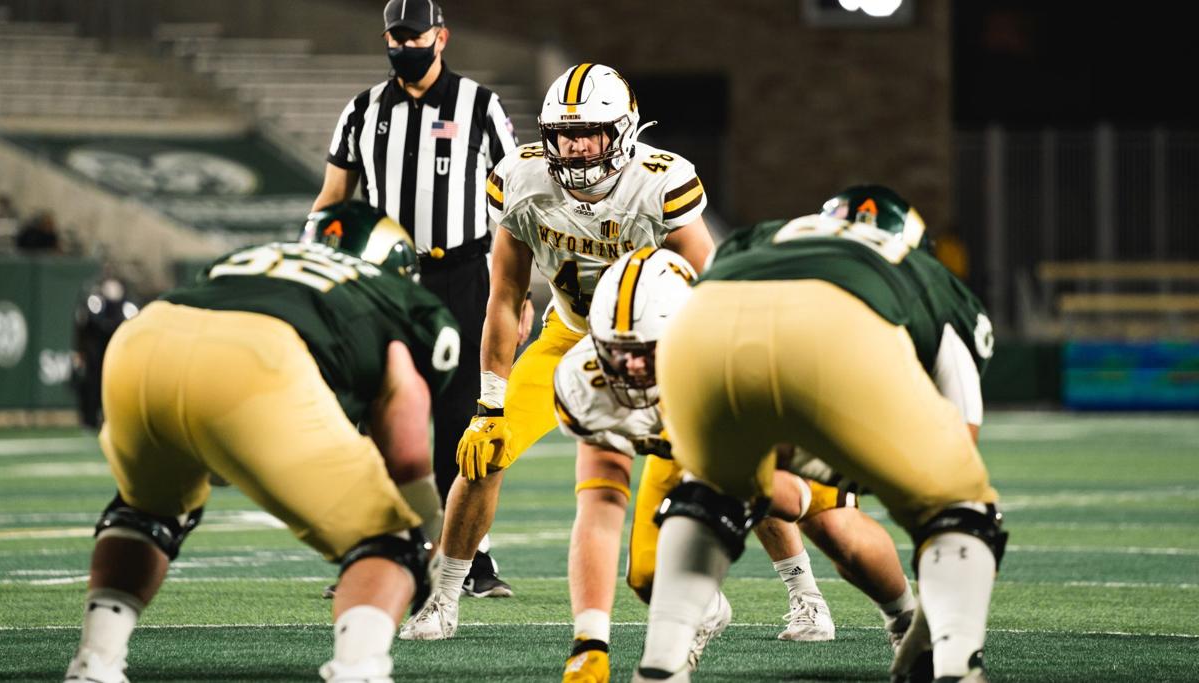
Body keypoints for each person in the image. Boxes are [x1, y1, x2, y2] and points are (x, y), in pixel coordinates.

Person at [62, 202, 458, 683]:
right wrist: (428, 526)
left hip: (142, 343)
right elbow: (405, 443)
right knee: (394, 540)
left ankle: (95, 663)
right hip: (256, 360)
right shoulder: (394, 295)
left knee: (147, 513)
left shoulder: (255, 257)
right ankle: (359, 671)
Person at [635, 185, 1006, 683]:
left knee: (713, 490)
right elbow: (960, 440)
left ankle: (662, 663)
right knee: (959, 506)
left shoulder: (761, 237)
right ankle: (954, 662)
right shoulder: (922, 271)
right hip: (834, 336)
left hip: (700, 332)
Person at [399, 63, 716, 641]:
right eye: (564, 133)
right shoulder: (522, 179)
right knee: (484, 450)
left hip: (655, 353)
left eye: (589, 132)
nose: (575, 145)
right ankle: (442, 599)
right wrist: (489, 402)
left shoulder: (659, 184)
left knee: (712, 466)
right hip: (568, 336)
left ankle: (802, 591)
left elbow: (709, 293)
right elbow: (504, 297)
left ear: (622, 131)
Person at [554, 247, 915, 681]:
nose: (629, 368)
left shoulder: (741, 365)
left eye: (644, 352)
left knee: (835, 528)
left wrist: (735, 484)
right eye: (616, 351)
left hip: (767, 426)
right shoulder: (585, 381)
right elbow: (600, 506)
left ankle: (907, 621)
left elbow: (789, 496)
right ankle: (703, 611)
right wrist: (589, 640)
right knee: (649, 573)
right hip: (685, 443)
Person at [313, 0, 519, 597]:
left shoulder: (480, 105)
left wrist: (519, 287)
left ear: (441, 37)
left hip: (462, 275)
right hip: (384, 284)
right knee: (377, 412)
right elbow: (332, 199)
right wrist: (313, 264)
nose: (404, 47)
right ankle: (376, 551)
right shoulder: (363, 110)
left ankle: (471, 557)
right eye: (395, 38)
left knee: (463, 419)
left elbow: (518, 197)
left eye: (415, 36)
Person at [72, 274, 140, 429]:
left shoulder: (126, 305)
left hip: (117, 353)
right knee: (91, 382)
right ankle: (90, 419)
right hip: (94, 354)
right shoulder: (93, 301)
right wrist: (80, 351)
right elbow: (83, 328)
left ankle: (114, 417)